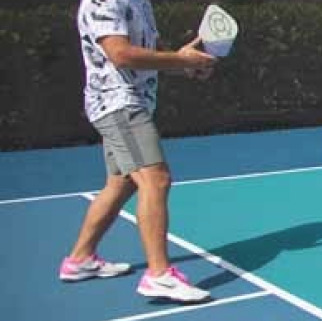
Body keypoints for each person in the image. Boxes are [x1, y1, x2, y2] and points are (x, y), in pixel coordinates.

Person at [61, 0, 216, 302]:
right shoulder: (104, 2)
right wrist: (180, 59)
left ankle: (79, 260)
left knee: (121, 183)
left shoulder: (140, 2)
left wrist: (186, 65)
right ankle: (159, 275)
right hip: (118, 104)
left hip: (133, 102)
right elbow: (121, 54)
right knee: (155, 179)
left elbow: (153, 54)